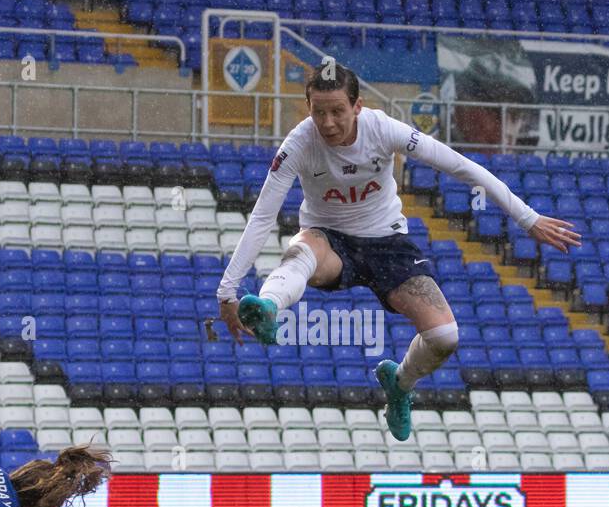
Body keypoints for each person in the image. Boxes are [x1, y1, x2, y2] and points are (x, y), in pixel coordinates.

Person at [216, 64, 580, 441]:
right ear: (307, 106)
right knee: (302, 249)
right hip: (330, 238)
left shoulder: (383, 129)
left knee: (445, 337)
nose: (327, 122)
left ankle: (400, 383)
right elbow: (262, 215)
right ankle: (268, 306)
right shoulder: (298, 144)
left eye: (337, 111)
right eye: (318, 111)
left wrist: (528, 218)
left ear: (357, 106)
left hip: (387, 243)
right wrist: (227, 292)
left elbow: (461, 165)